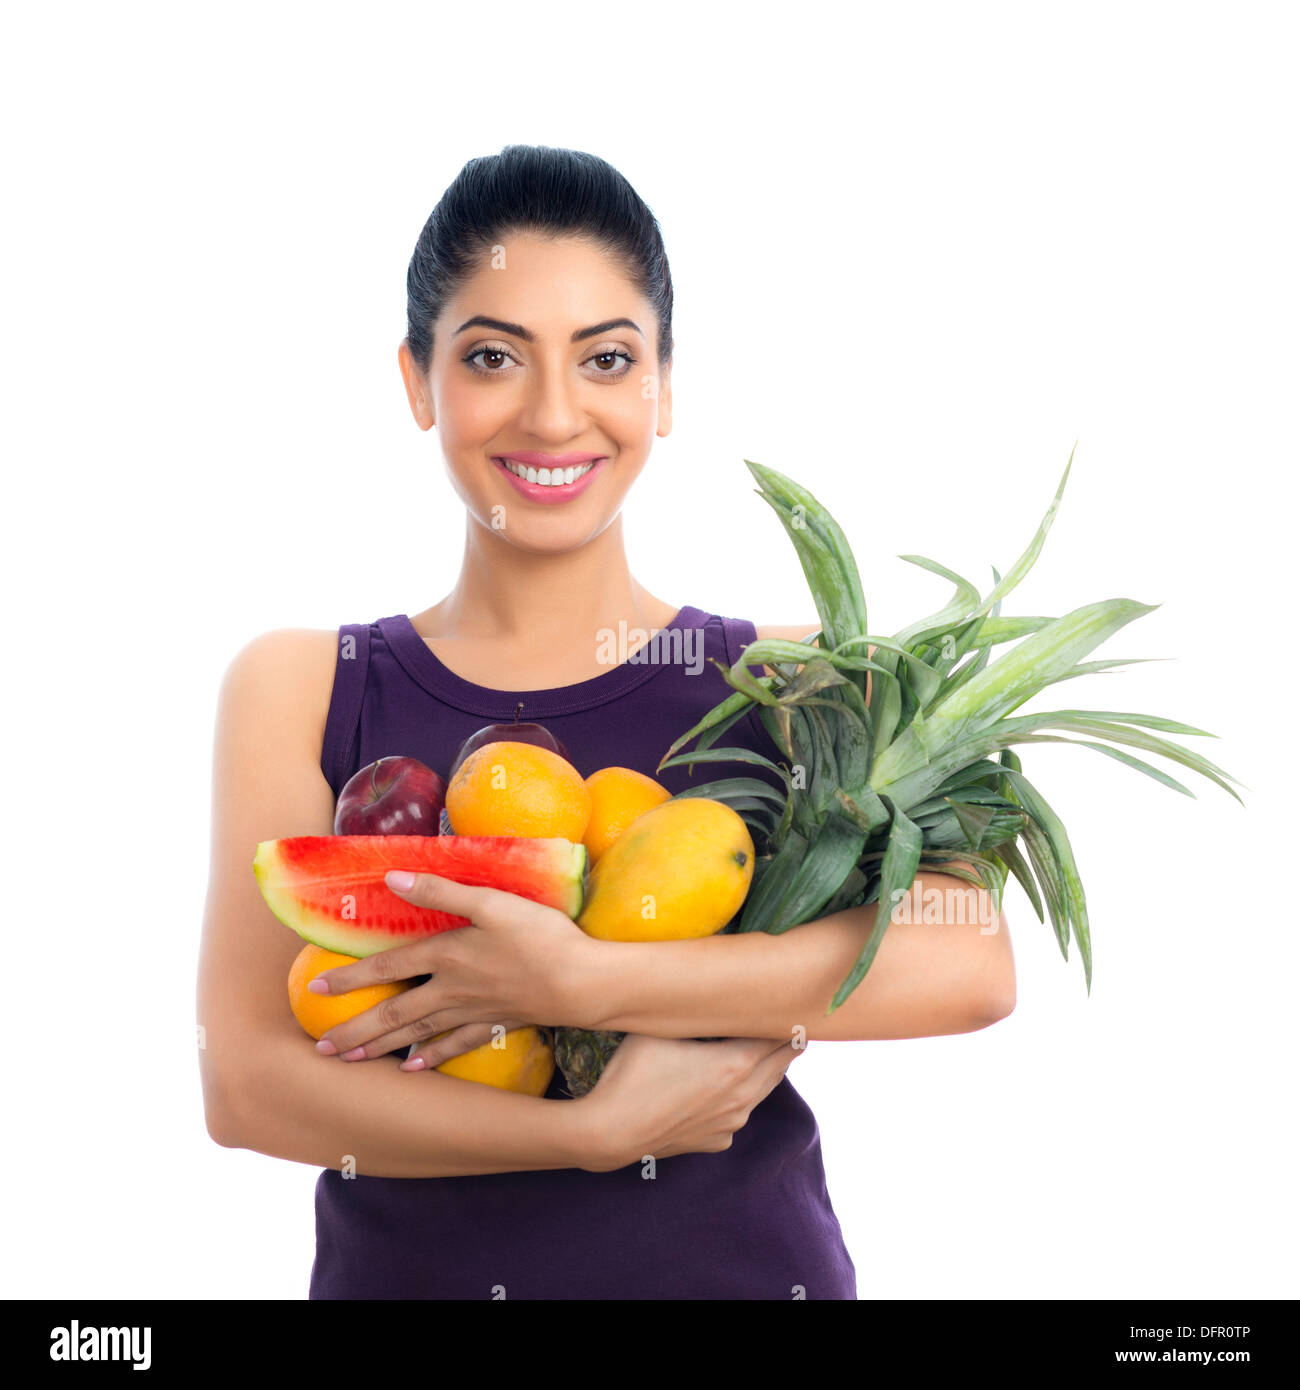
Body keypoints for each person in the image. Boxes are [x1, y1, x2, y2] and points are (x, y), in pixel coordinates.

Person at [197, 144, 1016, 1300]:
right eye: (491, 356)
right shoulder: (302, 682)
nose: (551, 413)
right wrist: (586, 1133)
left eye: (606, 358)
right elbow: (246, 1085)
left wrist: (580, 984)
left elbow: (966, 961)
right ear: (417, 381)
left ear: (662, 388)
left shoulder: (785, 677)